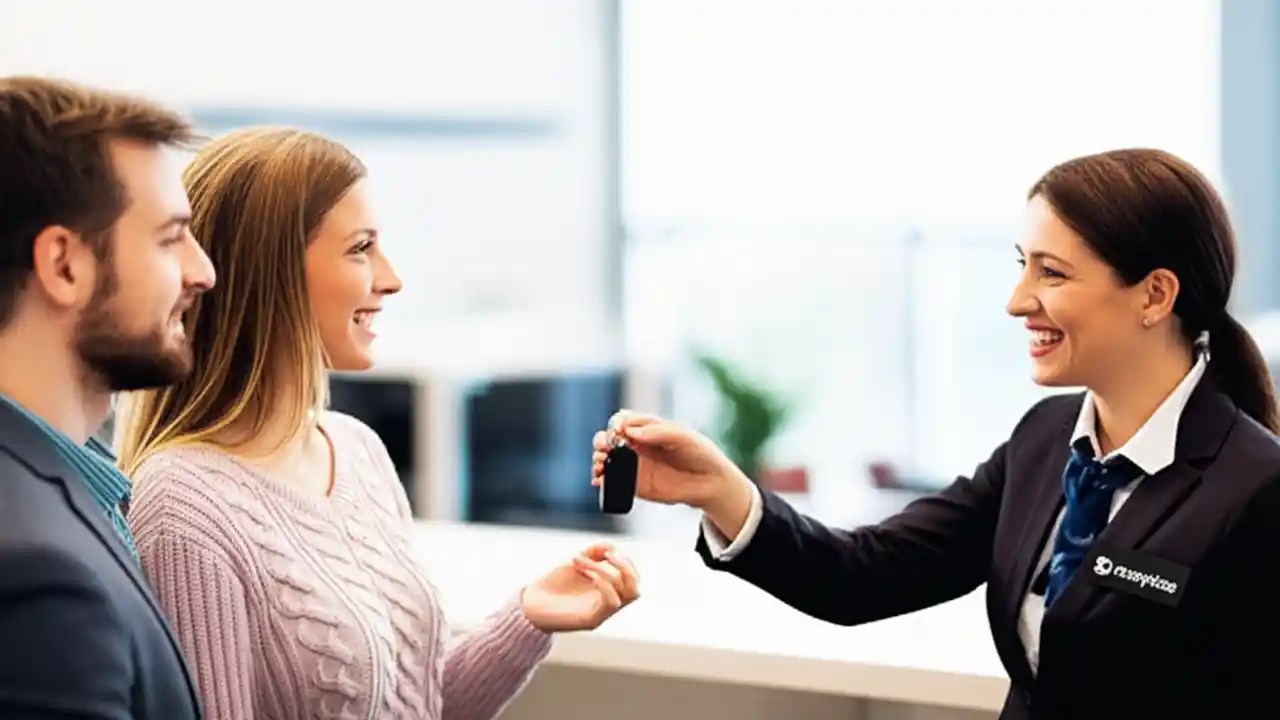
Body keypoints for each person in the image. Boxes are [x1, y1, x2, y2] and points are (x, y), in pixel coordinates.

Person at [593, 148, 1280, 719]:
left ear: (1155, 295)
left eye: (1053, 273)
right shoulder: (1045, 442)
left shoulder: (1255, 490)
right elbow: (864, 575)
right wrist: (721, 492)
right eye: (1023, 265)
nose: (1017, 301)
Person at [113, 126, 640, 720]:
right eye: (360, 248)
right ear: (273, 270)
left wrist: (527, 618)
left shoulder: (355, 449)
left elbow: (415, 705)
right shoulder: (183, 505)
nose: (391, 278)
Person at [0, 76, 215, 718]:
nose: (203, 271)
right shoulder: (38, 572)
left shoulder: (58, 494)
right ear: (64, 265)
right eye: (170, 237)